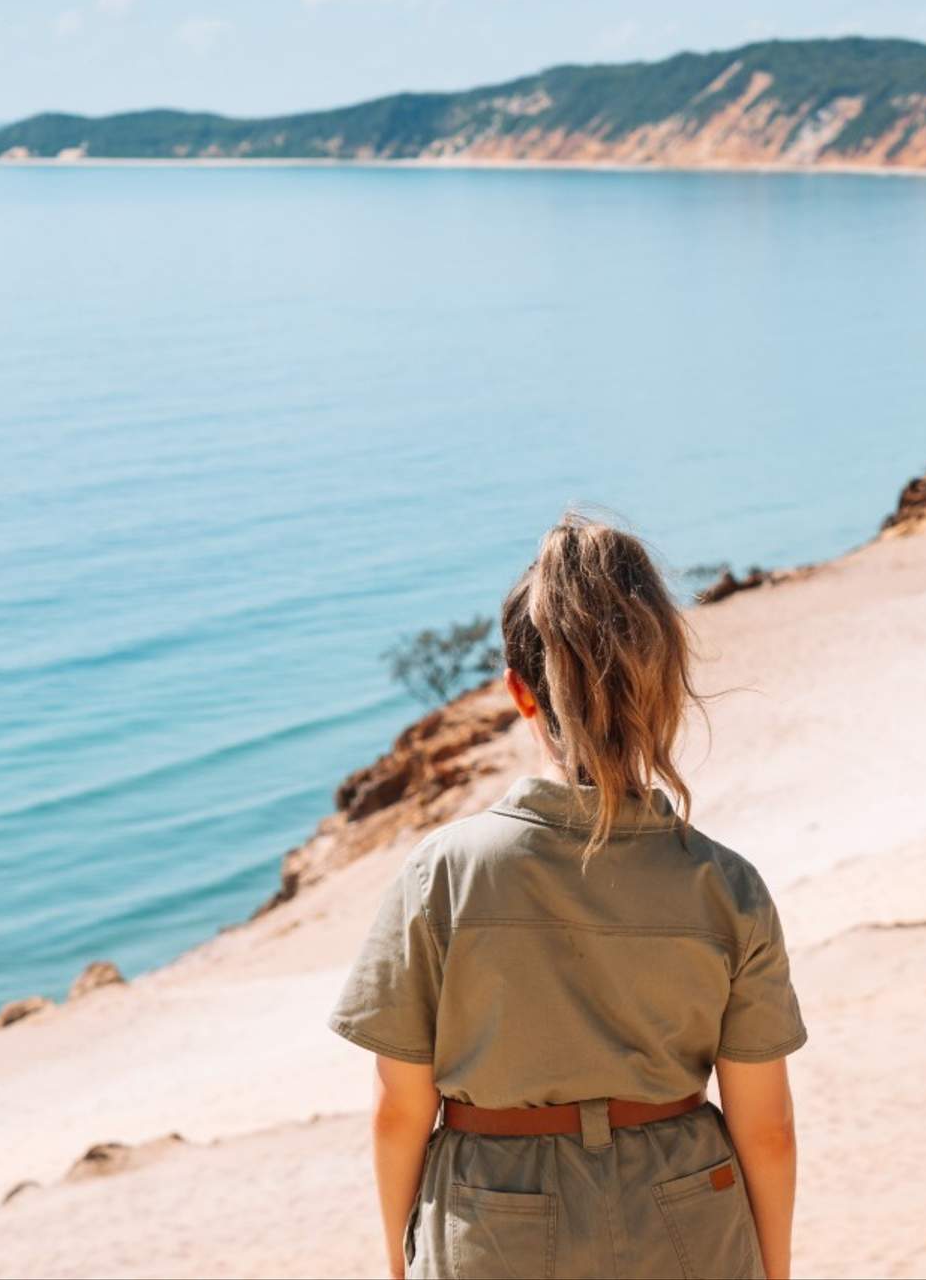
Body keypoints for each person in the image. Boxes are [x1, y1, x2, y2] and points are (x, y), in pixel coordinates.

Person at [330, 513, 805, 1280]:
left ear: (522, 693)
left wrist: (399, 1257)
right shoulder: (725, 884)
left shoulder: (444, 871)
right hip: (688, 1209)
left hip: (493, 1212)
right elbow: (769, 1126)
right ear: (659, 687)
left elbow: (399, 1110)